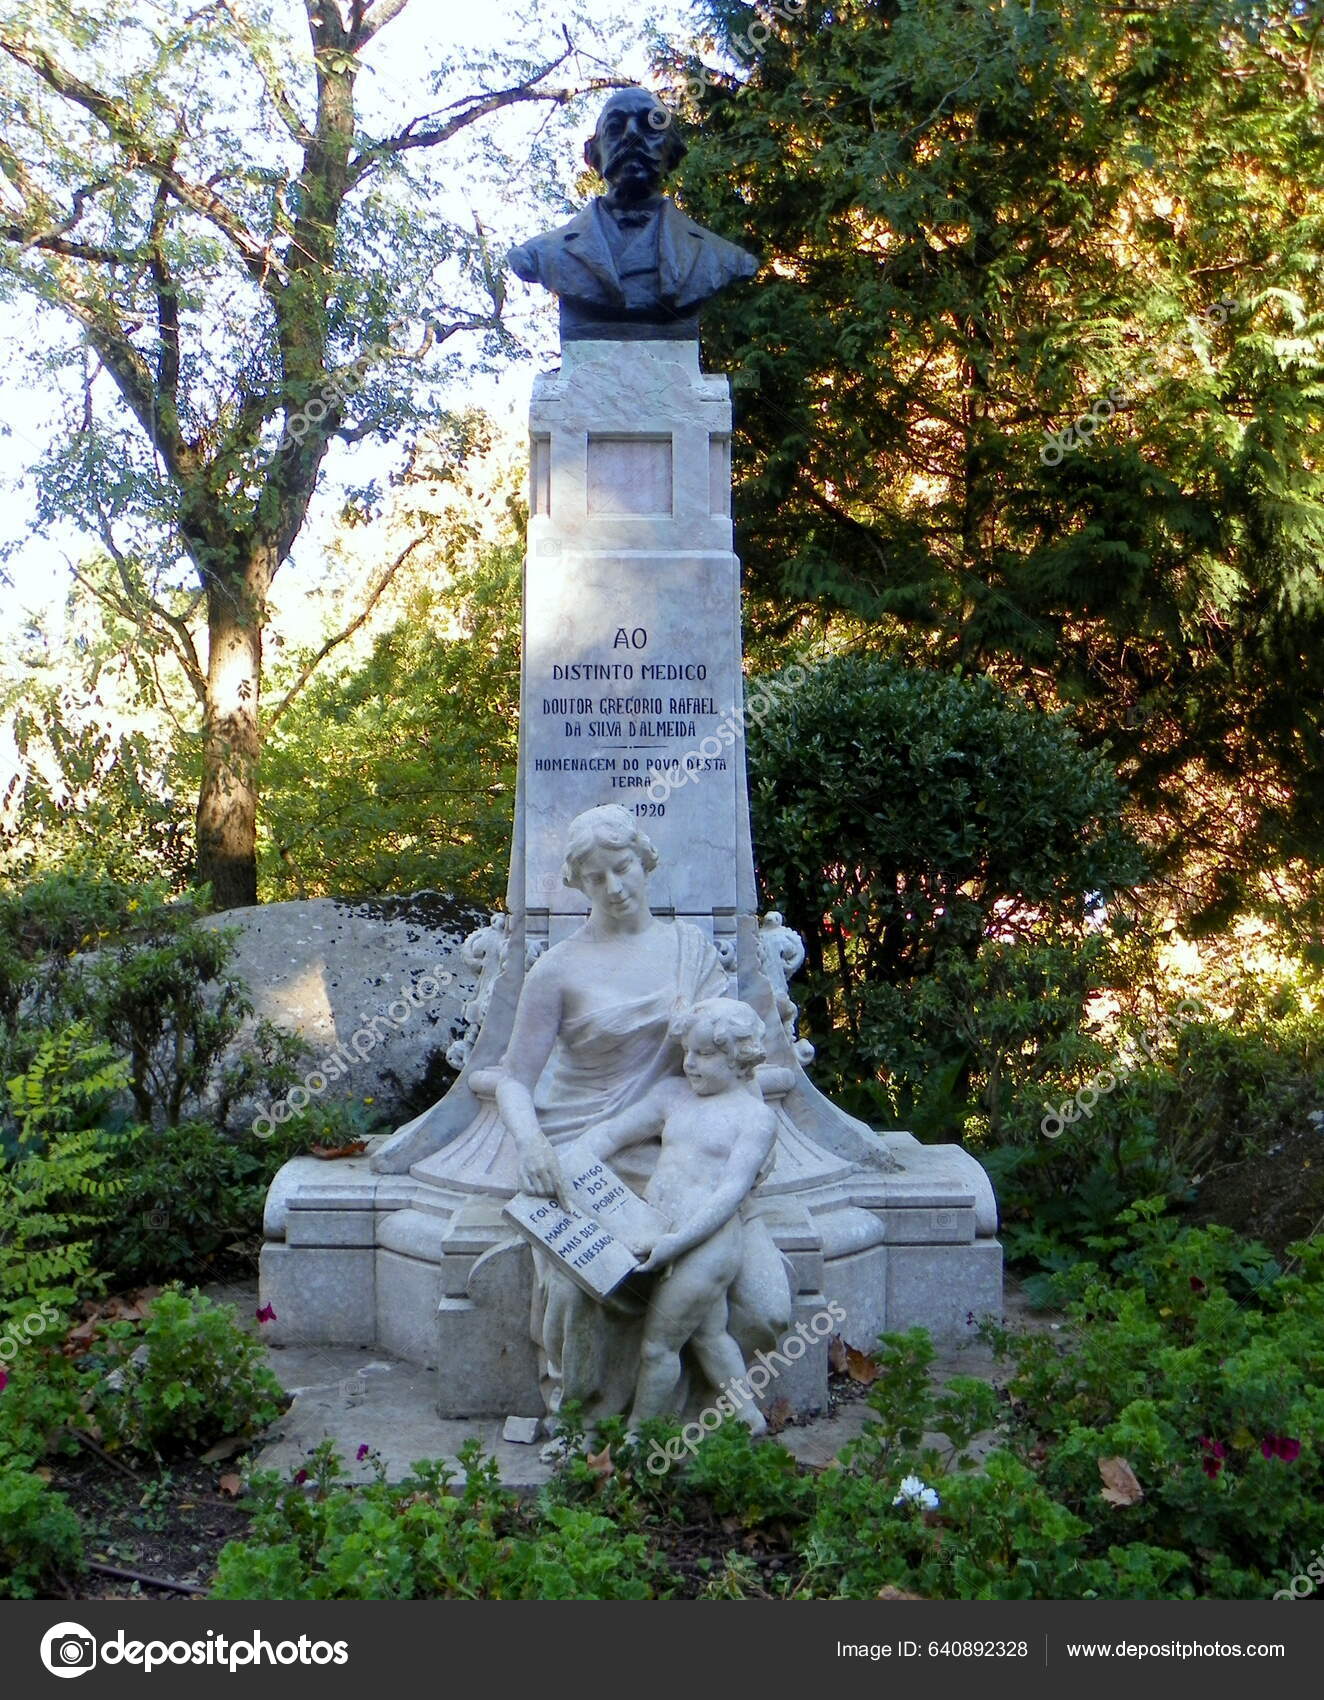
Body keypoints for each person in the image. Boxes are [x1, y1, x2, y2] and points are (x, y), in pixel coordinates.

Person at [492, 804, 788, 1419]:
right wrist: (534, 1148)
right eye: (595, 878)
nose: (614, 887)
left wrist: (754, 1141)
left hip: (685, 1151)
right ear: (578, 883)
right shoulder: (558, 969)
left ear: (645, 859)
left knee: (766, 1309)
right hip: (585, 1153)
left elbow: (737, 1058)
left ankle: (712, 1422)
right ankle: (597, 1427)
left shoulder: (690, 949)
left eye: (623, 868)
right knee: (588, 1297)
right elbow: (513, 1080)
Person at [566, 998, 776, 1434]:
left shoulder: (754, 1118)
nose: (692, 1064)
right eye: (688, 1053)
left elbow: (731, 1192)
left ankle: (639, 1437)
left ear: (739, 1058)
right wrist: (569, 1161)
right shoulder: (672, 1096)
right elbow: (609, 1135)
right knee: (709, 1336)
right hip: (656, 1232)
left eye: (705, 1054)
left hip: (706, 1243)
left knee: (659, 1348)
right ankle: (748, 1418)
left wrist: (676, 1245)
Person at [507, 86, 757, 342]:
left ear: (672, 152)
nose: (632, 136)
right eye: (615, 128)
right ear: (593, 154)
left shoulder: (722, 257)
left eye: (650, 128)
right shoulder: (541, 254)